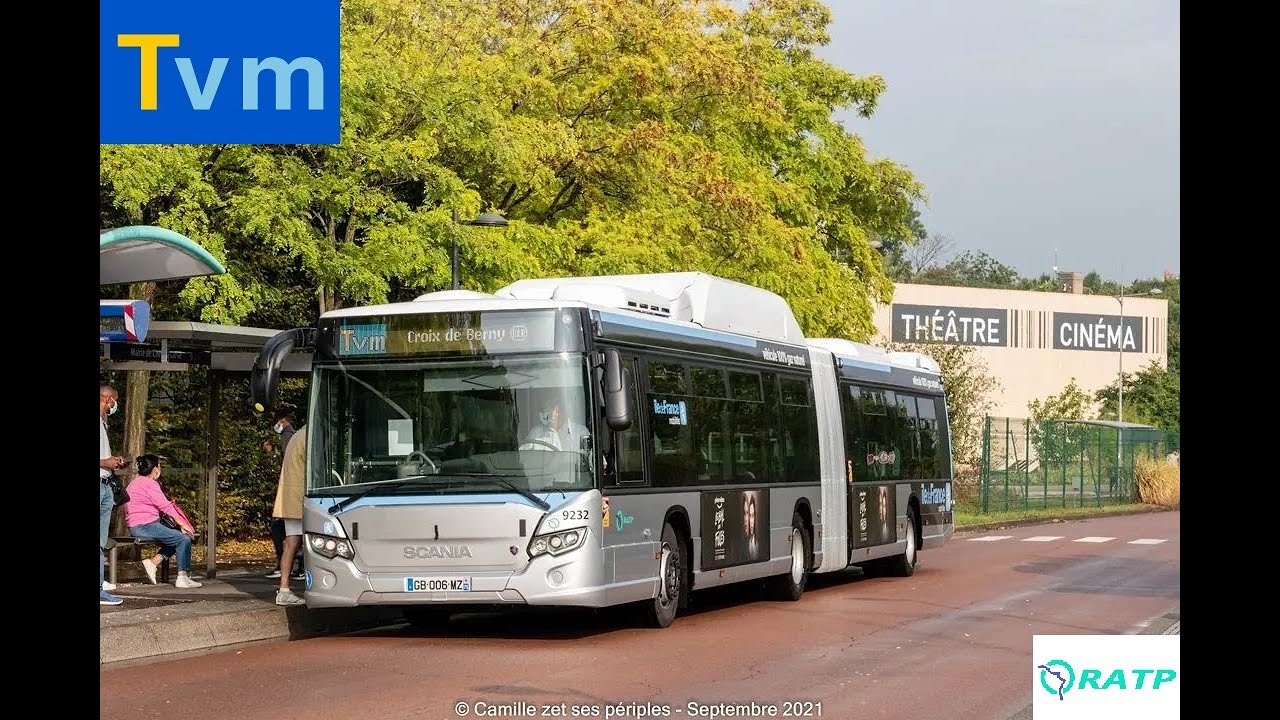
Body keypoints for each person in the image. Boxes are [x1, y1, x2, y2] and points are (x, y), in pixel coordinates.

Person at [125, 454, 203, 589]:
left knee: (176, 538)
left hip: (138, 526)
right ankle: (182, 577)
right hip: (146, 526)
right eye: (159, 466)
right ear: (155, 468)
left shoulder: (135, 482)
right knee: (183, 539)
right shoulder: (150, 484)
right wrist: (184, 524)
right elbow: (166, 506)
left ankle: (153, 563)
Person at [263, 412, 302, 580]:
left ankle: (284, 581)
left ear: (283, 421)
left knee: (285, 537)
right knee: (295, 538)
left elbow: (286, 462)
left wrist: (271, 457)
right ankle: (297, 571)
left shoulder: (288, 437)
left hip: (290, 494)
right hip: (296, 494)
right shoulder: (297, 436)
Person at [272, 424, 308, 606]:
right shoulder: (309, 436)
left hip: (291, 497)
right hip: (303, 497)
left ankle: (284, 589)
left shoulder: (297, 436)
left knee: (291, 543)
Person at [100, 385, 126, 605]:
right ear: (108, 400)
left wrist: (111, 462)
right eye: (114, 401)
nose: (114, 405)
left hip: (105, 485)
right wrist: (105, 462)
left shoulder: (102, 423)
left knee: (100, 541)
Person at [521, 398, 591, 453]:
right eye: (544, 409)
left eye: (552, 408)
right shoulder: (536, 432)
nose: (547, 412)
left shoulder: (580, 432)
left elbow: (586, 460)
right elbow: (522, 456)